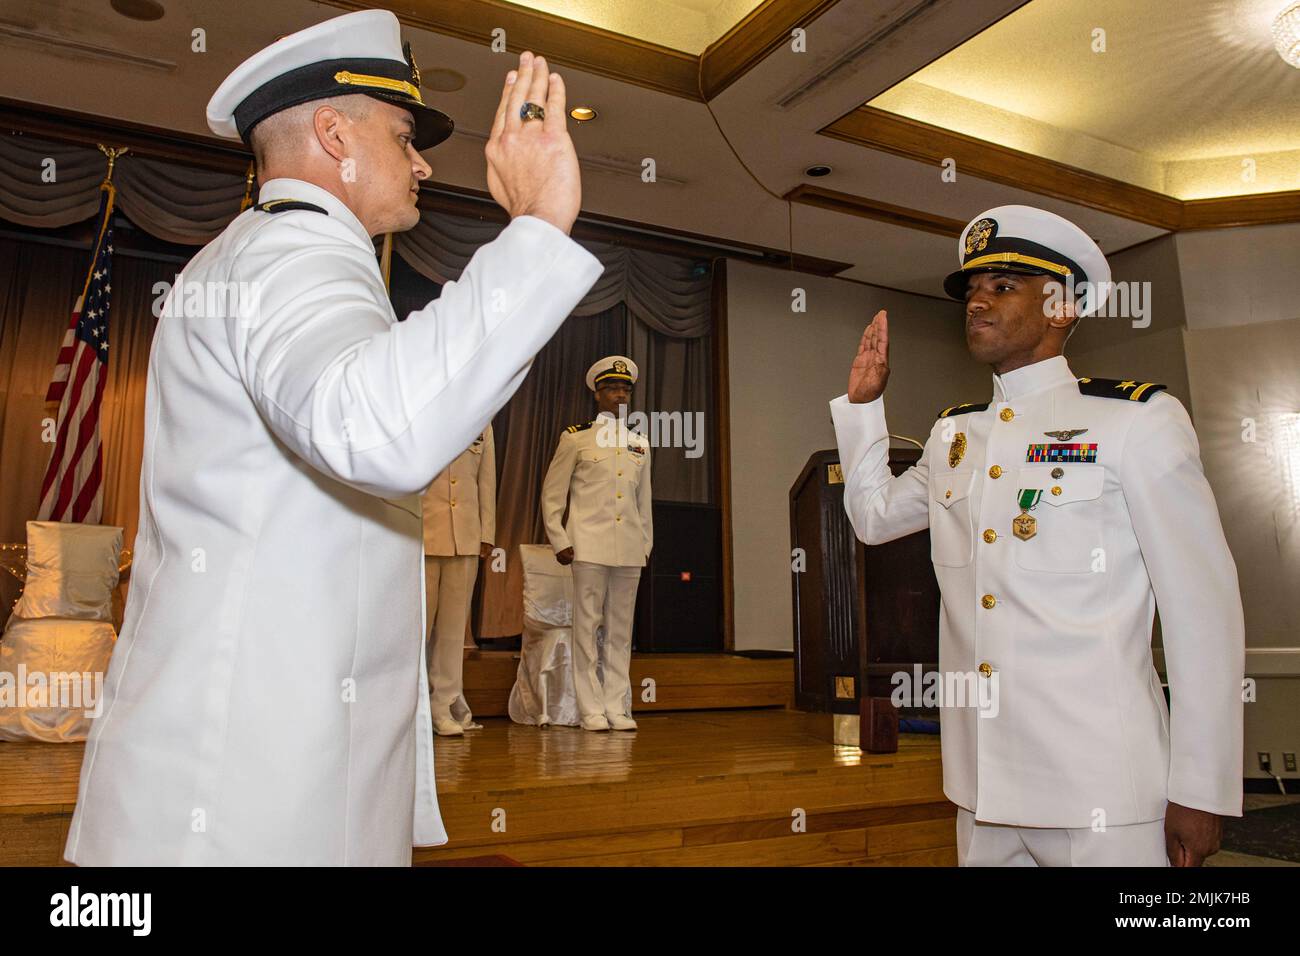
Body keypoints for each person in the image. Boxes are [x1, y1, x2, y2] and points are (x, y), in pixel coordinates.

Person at [64, 9, 602, 865]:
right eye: (404, 135)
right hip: (250, 799)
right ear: (333, 135)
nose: (423, 163)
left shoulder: (255, 250)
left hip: (252, 775)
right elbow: (374, 426)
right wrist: (538, 225)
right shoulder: (294, 251)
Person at [829, 204, 1244, 866]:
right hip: (980, 789)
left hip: (1102, 789)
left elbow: (1203, 613)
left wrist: (1202, 787)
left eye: (1002, 287)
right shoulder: (955, 434)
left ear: (1061, 307)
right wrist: (862, 411)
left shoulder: (1137, 421)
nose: (977, 303)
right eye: (972, 289)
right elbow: (874, 518)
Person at [541, 356, 652, 731]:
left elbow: (643, 502)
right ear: (597, 394)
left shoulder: (639, 443)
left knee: (621, 631)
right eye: (612, 389)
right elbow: (552, 494)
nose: (620, 395)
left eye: (625, 389)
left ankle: (616, 706)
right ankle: (590, 708)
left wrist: (645, 545)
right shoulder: (576, 438)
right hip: (587, 545)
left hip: (629, 549)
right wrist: (559, 537)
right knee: (587, 629)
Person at [421, 427, 496, 736]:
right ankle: (410, 705)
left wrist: (486, 532)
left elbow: (486, 480)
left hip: (464, 535)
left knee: (453, 632)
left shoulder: (481, 419)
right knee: (417, 629)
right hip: (421, 534)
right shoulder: (418, 410)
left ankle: (444, 705)